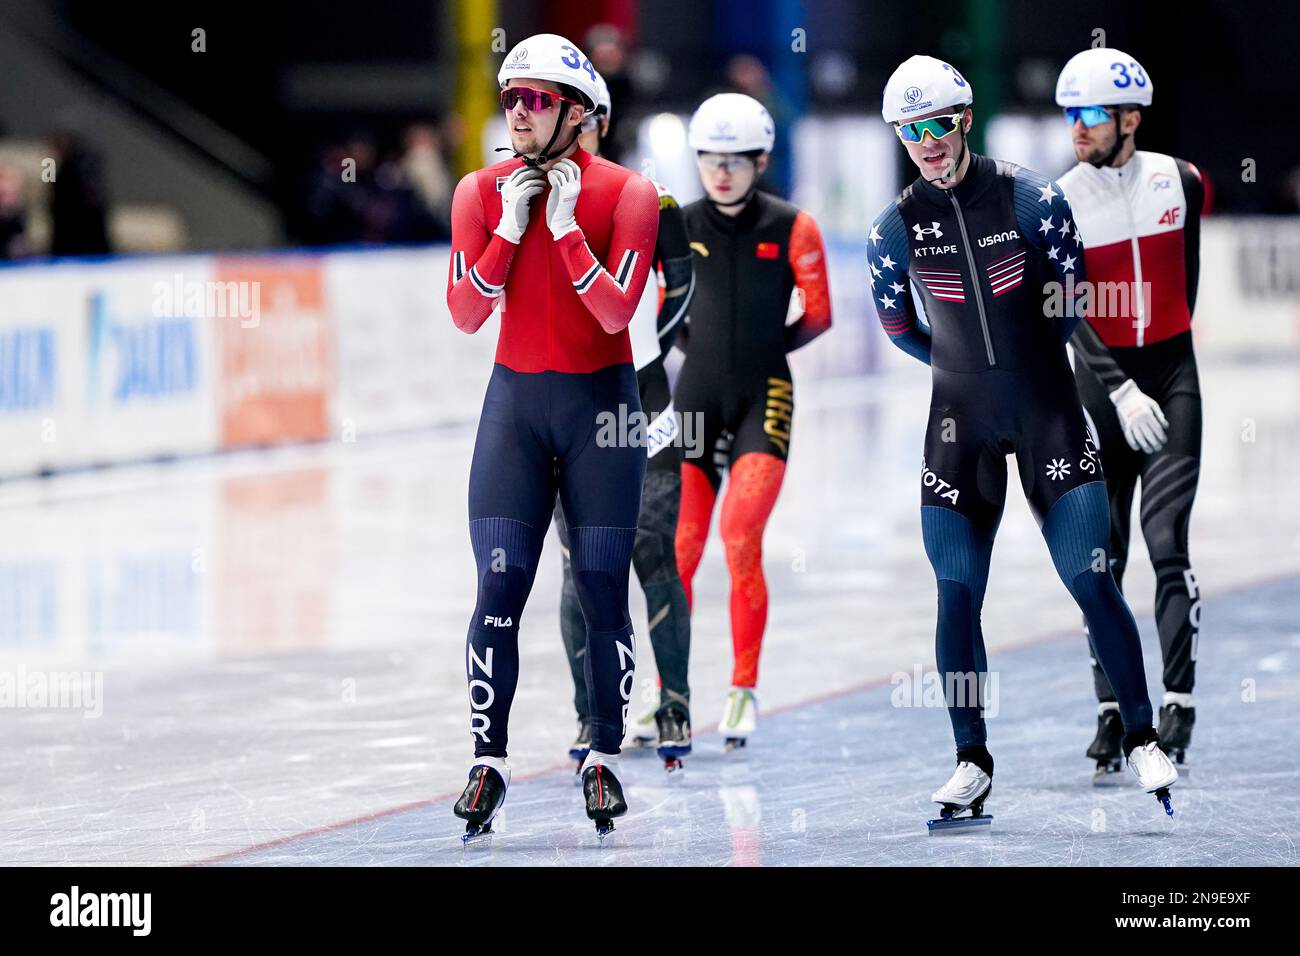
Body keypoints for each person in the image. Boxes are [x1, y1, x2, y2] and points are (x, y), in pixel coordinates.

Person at [866, 55, 1178, 826]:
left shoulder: (1033, 200)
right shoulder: (892, 228)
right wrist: (963, 372)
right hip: (958, 426)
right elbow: (900, 327)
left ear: (964, 119)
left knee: (1090, 577)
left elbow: (1070, 308)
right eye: (911, 132)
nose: (927, 143)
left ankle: (1141, 734)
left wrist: (1027, 369)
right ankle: (970, 759)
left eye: (937, 125)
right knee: (956, 595)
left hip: (1048, 417)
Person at [445, 34, 660, 841]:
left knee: (601, 590)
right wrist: (509, 227)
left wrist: (566, 227)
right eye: (509, 101)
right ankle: (487, 762)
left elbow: (614, 314)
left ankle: (602, 755)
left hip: (602, 410)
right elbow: (466, 314)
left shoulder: (629, 194)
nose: (517, 114)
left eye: (533, 100)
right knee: (499, 592)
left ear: (575, 112)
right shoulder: (479, 189)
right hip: (515, 412)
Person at [1054, 49, 1207, 774]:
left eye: (1088, 115)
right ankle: (1114, 711)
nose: (1076, 129)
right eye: (1068, 115)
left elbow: (1189, 280)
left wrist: (1165, 365)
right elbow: (1067, 310)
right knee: (1101, 557)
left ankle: (1179, 702)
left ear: (1129, 118)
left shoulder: (1182, 180)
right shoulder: (1058, 201)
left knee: (1166, 539)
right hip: (1101, 390)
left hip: (1173, 378)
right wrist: (1117, 386)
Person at [673, 92, 832, 750]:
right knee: (675, 550)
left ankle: (741, 687)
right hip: (694, 401)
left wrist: (763, 353)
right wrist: (705, 357)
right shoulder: (676, 225)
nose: (722, 172)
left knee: (740, 536)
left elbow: (819, 315)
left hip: (763, 401)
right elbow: (660, 314)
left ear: (761, 160)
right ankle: (668, 694)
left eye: (736, 161)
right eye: (710, 159)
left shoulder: (794, 226)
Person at [552, 73, 696, 771]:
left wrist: (654, 360)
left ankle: (674, 703)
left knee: (651, 553)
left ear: (601, 125)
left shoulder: (649, 198)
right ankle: (590, 714)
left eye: (580, 120)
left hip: (639, 395)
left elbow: (681, 292)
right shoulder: (528, 197)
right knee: (577, 569)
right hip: (563, 401)